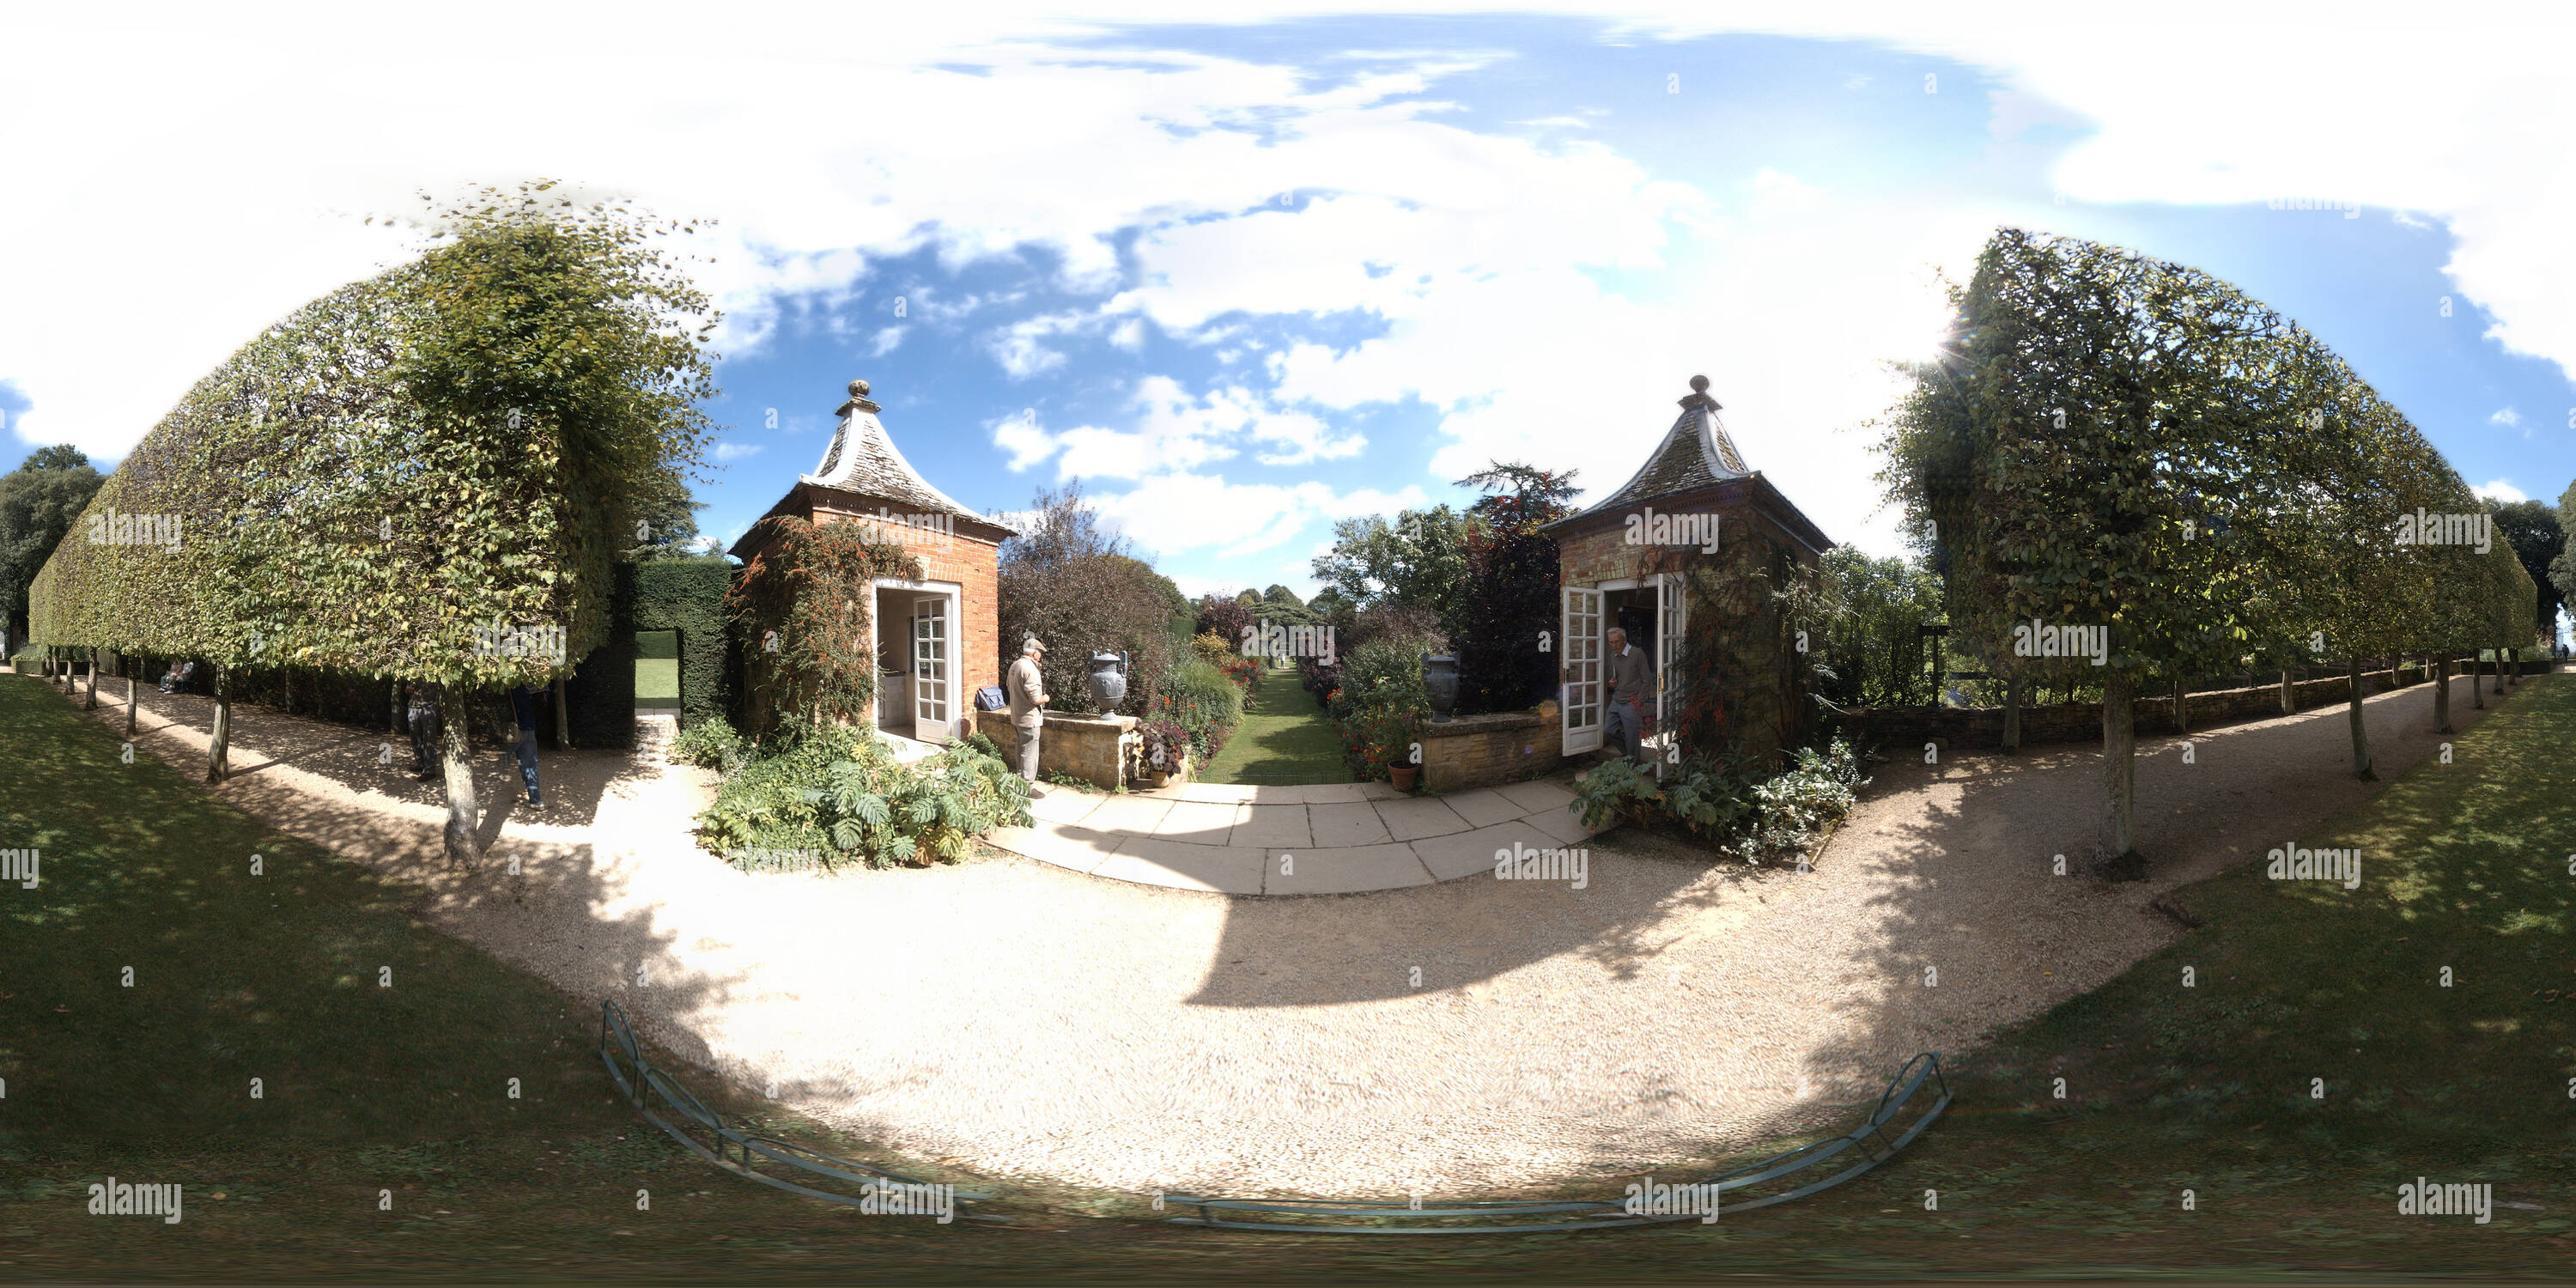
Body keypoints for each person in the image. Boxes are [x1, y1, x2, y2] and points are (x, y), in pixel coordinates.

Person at [1603, 626, 1654, 768]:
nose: (1614, 645)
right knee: (1608, 730)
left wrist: (1638, 701)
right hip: (1617, 699)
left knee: (1632, 737)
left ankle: (1633, 768)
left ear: (1625, 640)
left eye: (1617, 642)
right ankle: (1629, 755)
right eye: (1611, 642)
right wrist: (1613, 682)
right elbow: (1620, 677)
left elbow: (1647, 680)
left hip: (1632, 702)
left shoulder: (1637, 654)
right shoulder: (1614, 656)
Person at [1006, 635, 1050, 796]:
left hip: (1016, 716)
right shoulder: (1031, 669)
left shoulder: (1015, 665)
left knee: (1021, 750)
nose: (1041, 655)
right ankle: (1027, 787)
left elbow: (1009, 687)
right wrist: (1045, 698)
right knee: (1030, 752)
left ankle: (1020, 782)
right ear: (1034, 654)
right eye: (1040, 652)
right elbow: (1035, 699)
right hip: (1029, 718)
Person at [508, 682, 543, 807]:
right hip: (529, 726)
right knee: (530, 766)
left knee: (501, 764)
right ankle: (536, 800)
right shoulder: (528, 678)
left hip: (513, 729)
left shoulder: (504, 682)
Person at [406, 682, 441, 780]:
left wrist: (435, 707)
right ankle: (420, 764)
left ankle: (429, 770)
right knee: (415, 738)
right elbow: (407, 689)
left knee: (429, 739)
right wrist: (408, 689)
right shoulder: (412, 668)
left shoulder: (434, 669)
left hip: (428, 707)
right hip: (413, 707)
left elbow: (441, 689)